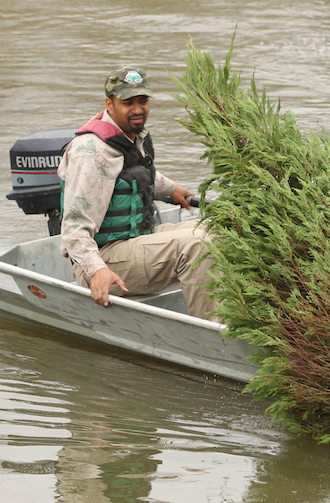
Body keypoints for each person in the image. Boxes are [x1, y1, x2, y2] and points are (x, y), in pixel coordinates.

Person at [58, 66, 217, 319]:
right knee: (199, 245)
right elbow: (74, 229)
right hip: (101, 260)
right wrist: (97, 270)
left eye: (142, 101)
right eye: (127, 102)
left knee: (218, 230)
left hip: (134, 239)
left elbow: (134, 173)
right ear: (109, 104)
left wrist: (172, 189)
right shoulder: (90, 152)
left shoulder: (130, 136)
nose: (137, 109)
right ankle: (215, 336)